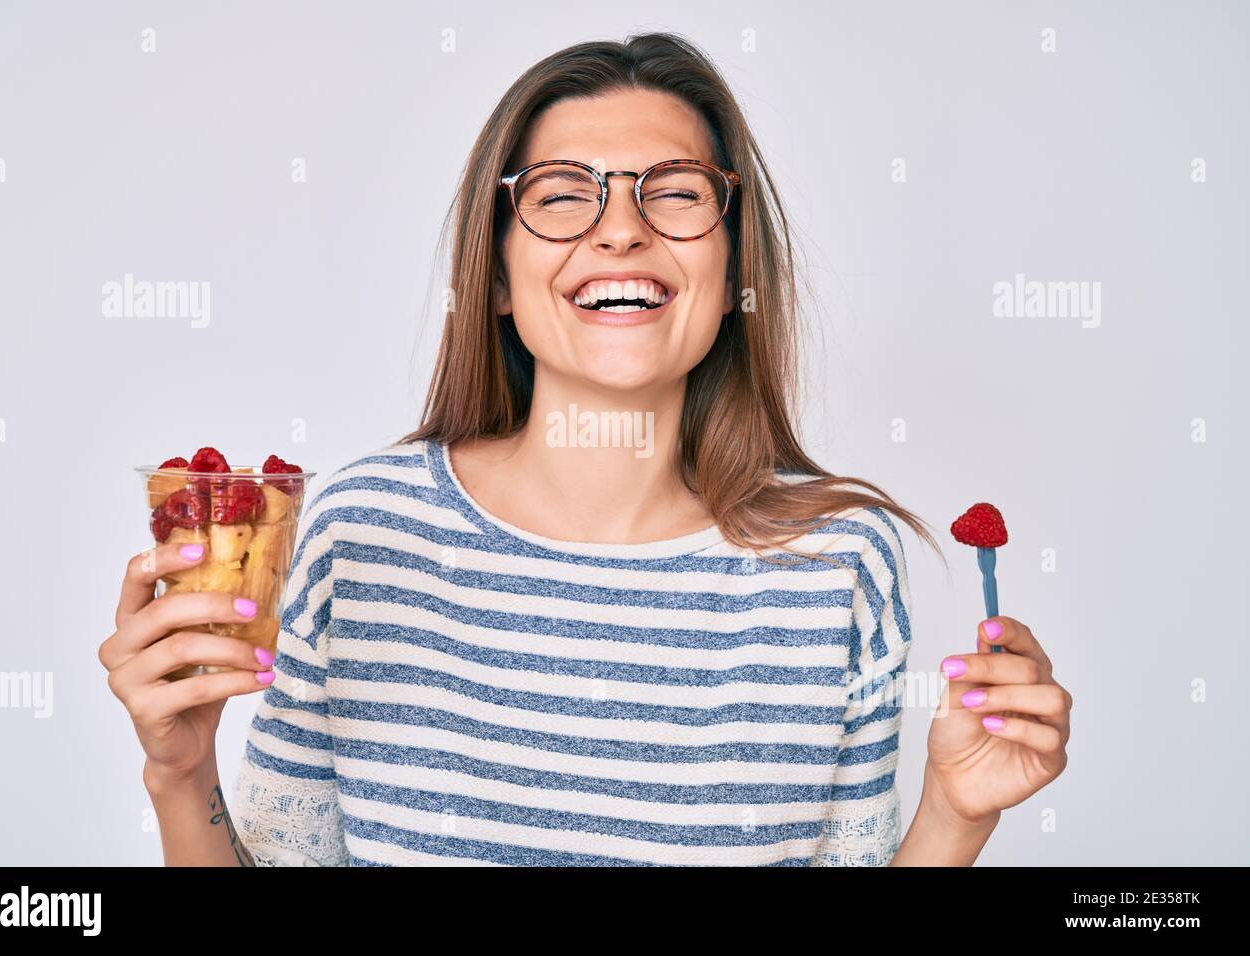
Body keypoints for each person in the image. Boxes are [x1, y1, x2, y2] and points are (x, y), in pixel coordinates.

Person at [101, 32, 1071, 866]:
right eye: (564, 196)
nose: (620, 232)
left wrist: (950, 818)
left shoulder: (839, 567)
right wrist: (179, 776)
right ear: (497, 277)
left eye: (675, 193)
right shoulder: (356, 533)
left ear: (732, 265)